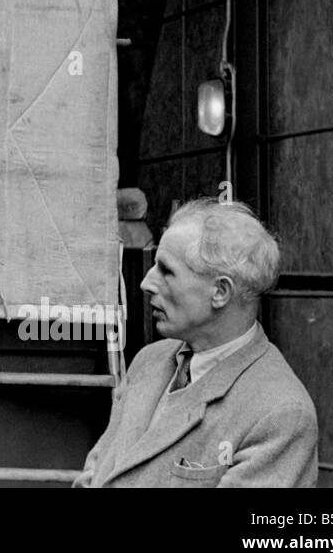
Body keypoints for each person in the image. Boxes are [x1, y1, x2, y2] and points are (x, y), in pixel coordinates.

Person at [74, 198, 318, 487]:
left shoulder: (280, 414)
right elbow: (98, 469)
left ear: (220, 292)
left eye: (166, 270)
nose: (147, 283)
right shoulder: (148, 361)